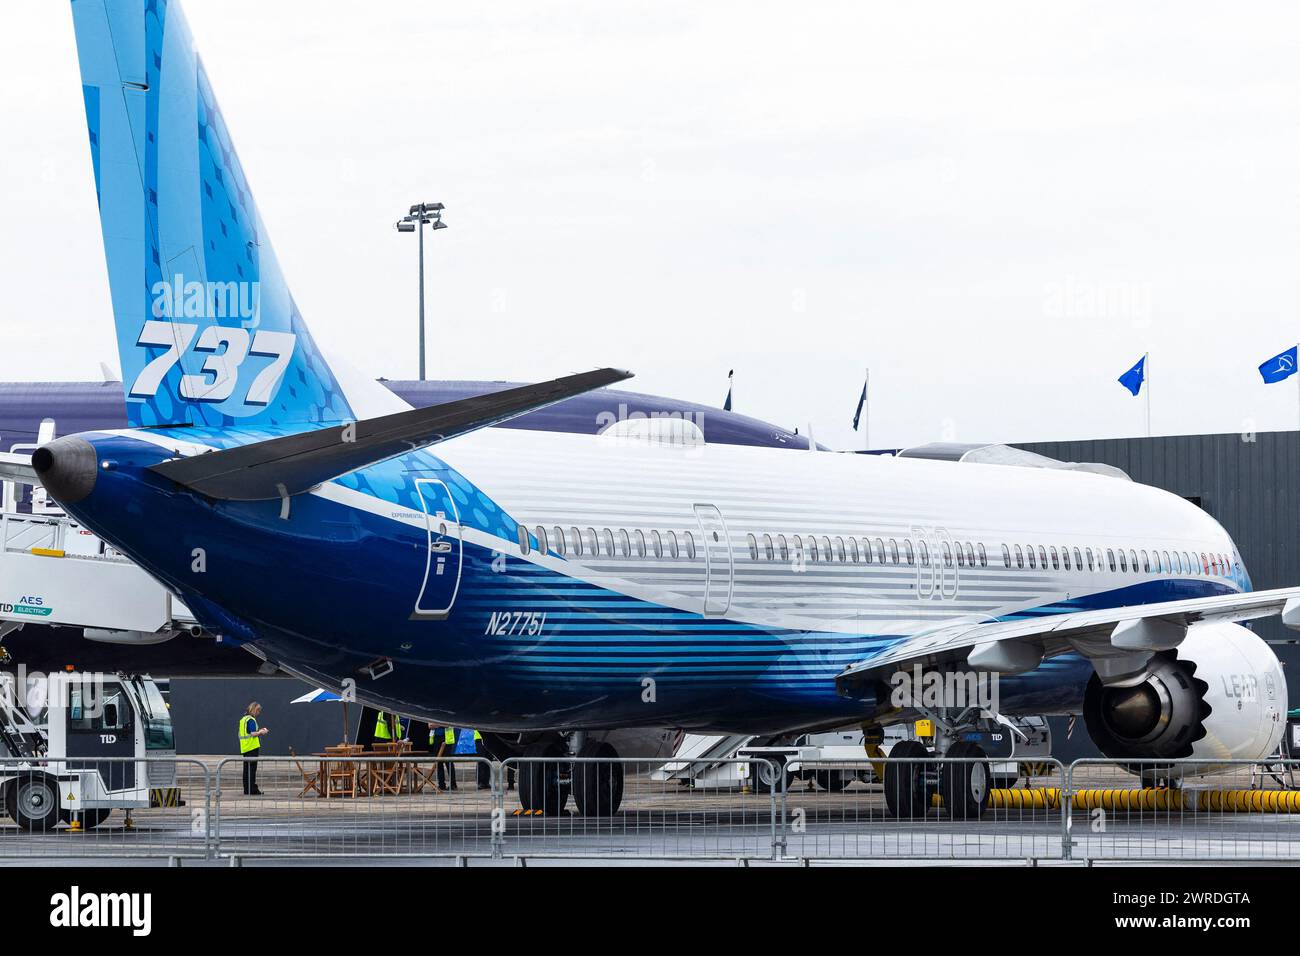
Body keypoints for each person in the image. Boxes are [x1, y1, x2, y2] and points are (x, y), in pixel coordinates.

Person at [238, 702, 268, 795]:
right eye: (258, 710)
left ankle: (247, 789)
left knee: (246, 770)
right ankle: (252, 789)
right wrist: (262, 732)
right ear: (254, 710)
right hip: (252, 747)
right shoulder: (251, 719)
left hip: (245, 747)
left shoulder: (243, 719)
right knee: (252, 769)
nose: (259, 713)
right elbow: (252, 733)